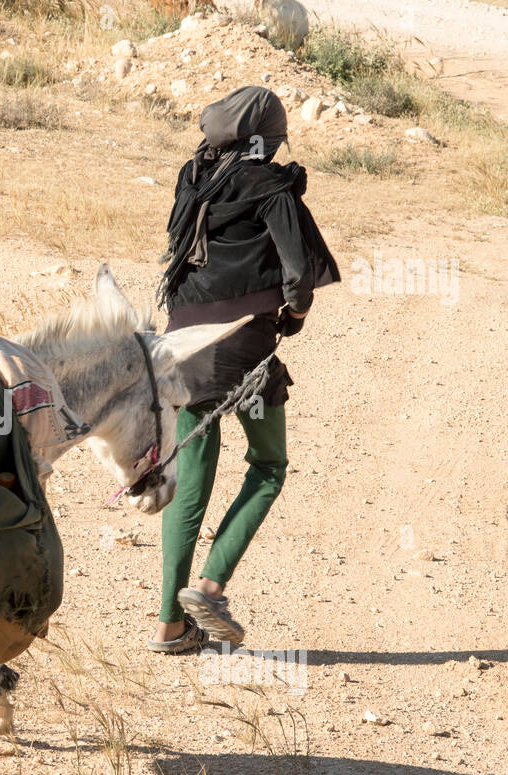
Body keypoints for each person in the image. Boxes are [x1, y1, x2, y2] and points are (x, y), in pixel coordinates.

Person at [147, 86, 339, 653]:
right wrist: (295, 314)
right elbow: (298, 278)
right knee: (270, 465)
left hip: (181, 347)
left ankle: (168, 625)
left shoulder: (193, 176)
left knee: (188, 483)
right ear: (268, 137)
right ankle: (209, 588)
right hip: (242, 348)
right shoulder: (273, 187)